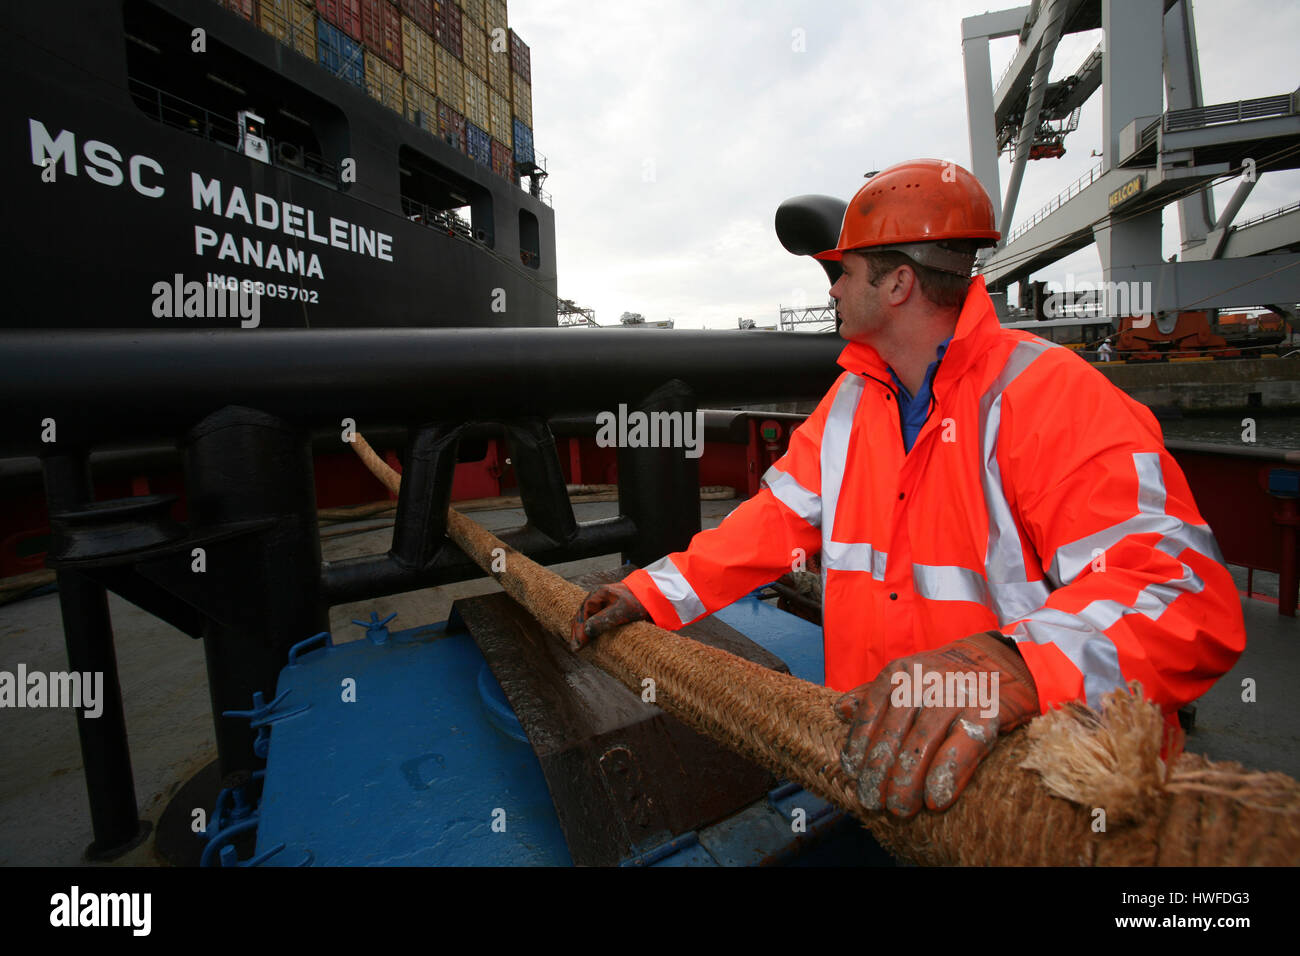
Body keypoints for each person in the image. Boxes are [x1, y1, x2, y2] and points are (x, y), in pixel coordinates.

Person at [568, 159, 1245, 820]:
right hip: (887, 774)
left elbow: (1180, 593)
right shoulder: (850, 404)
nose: (832, 289)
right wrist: (648, 592)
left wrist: (1020, 664)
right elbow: (772, 523)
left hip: (1036, 805)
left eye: (845, 272)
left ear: (895, 285)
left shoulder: (1051, 397)